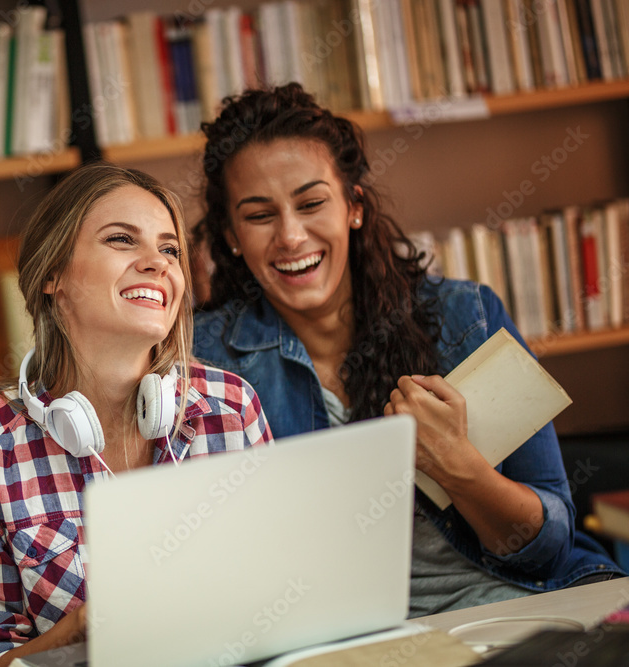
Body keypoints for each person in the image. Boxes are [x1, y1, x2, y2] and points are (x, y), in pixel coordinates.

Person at [192, 83, 623, 618]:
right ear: (231, 235)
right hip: (345, 638)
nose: (291, 235)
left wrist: (459, 467)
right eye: (259, 216)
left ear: (354, 206)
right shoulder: (203, 362)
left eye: (311, 203)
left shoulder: (467, 319)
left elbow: (549, 548)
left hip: (517, 607)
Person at [0, 164, 272, 667]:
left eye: (170, 249)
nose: (157, 263)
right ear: (52, 275)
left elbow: (281, 599)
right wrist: (79, 631)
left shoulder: (231, 410)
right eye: (121, 240)